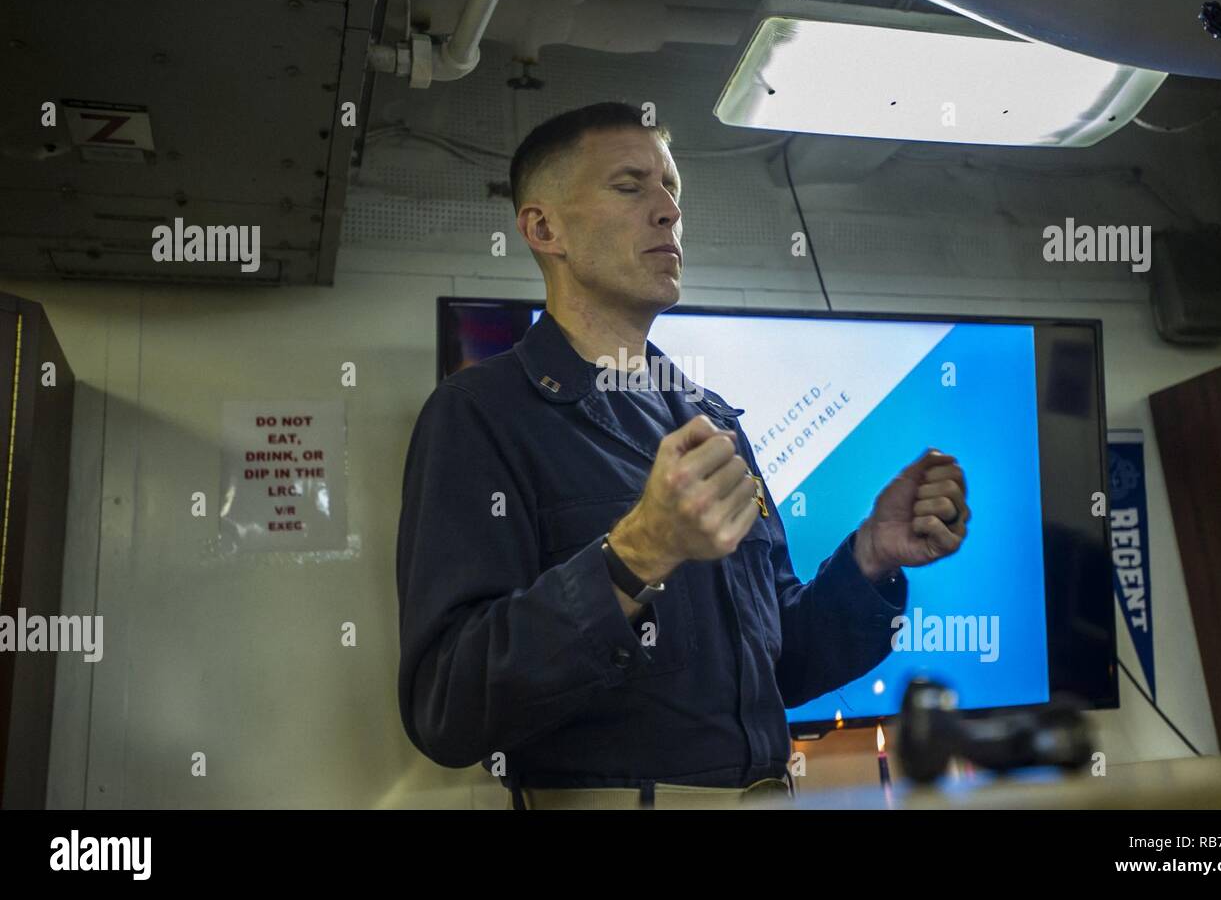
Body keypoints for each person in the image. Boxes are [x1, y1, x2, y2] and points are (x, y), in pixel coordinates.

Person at [396, 101, 970, 809]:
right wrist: (633, 553)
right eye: (631, 186)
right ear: (544, 229)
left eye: (672, 190)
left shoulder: (713, 418)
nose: (668, 211)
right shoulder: (481, 413)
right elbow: (446, 703)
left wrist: (870, 559)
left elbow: (779, 661)